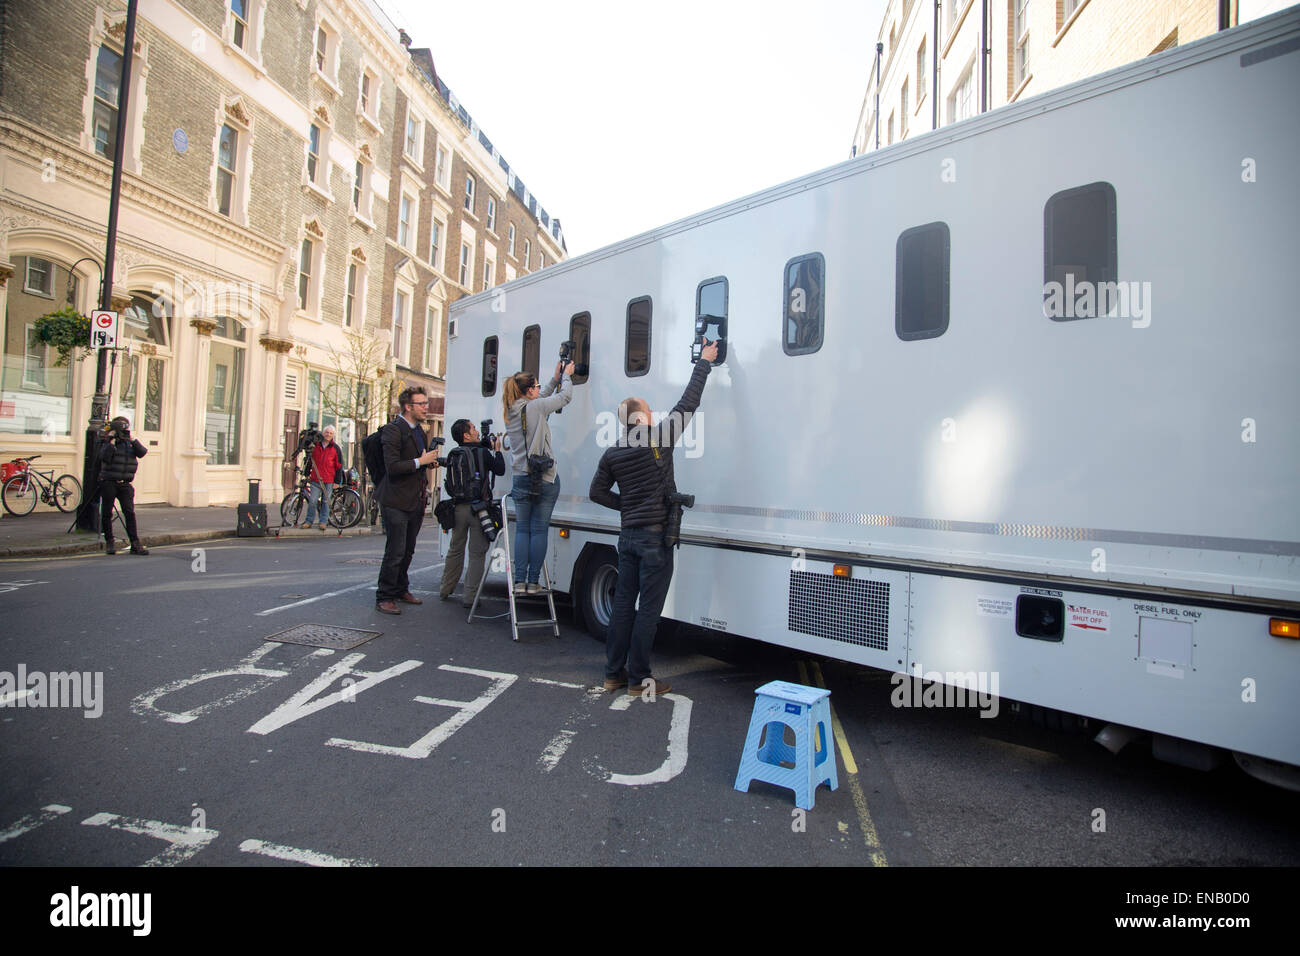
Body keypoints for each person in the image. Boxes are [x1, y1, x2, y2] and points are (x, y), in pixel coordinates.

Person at [589, 340, 719, 695]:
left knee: (622, 606)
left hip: (627, 537)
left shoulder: (613, 452)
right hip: (654, 539)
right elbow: (689, 401)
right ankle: (639, 678)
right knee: (648, 609)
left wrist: (627, 508)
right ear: (643, 418)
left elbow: (596, 493)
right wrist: (705, 362)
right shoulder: (660, 436)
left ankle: (613, 673)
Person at [503, 360, 575, 595]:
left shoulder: (513, 410)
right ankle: (533, 582)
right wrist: (566, 377)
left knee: (522, 529)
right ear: (529, 391)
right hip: (544, 477)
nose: (539, 389)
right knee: (539, 529)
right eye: (536, 386)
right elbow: (564, 398)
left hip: (521, 477)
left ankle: (519, 580)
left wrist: (553, 379)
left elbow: (541, 399)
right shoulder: (535, 408)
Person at [375, 386, 440, 615]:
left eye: (426, 403)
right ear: (408, 406)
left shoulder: (419, 431)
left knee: (408, 549)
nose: (426, 407)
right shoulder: (393, 430)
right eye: (421, 404)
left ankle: (401, 588)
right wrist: (420, 462)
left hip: (415, 499)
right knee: (396, 550)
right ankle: (384, 596)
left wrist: (427, 462)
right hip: (395, 499)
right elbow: (392, 466)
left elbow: (418, 461)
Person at [439, 419, 506, 607]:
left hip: (458, 509)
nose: (477, 431)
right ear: (466, 435)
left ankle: (446, 588)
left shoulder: (455, 454)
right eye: (473, 428)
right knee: (477, 554)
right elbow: (499, 470)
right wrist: (498, 450)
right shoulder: (483, 453)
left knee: (455, 549)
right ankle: (470, 598)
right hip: (479, 510)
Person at [96, 415, 149, 556]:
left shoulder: (129, 443)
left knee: (129, 513)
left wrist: (132, 439)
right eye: (122, 427)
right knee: (107, 513)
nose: (124, 430)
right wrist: (110, 440)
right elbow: (104, 457)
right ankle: (110, 542)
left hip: (125, 484)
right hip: (109, 482)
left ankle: (135, 544)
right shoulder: (108, 442)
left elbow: (142, 452)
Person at [304, 424, 343, 529]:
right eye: (326, 432)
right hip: (316, 479)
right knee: (312, 501)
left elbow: (339, 466)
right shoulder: (315, 446)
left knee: (326, 502)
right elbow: (310, 461)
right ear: (323, 433)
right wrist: (306, 473)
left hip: (329, 479)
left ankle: (323, 522)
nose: (328, 435)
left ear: (333, 435)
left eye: (330, 433)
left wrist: (337, 481)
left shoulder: (336, 449)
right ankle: (309, 521)